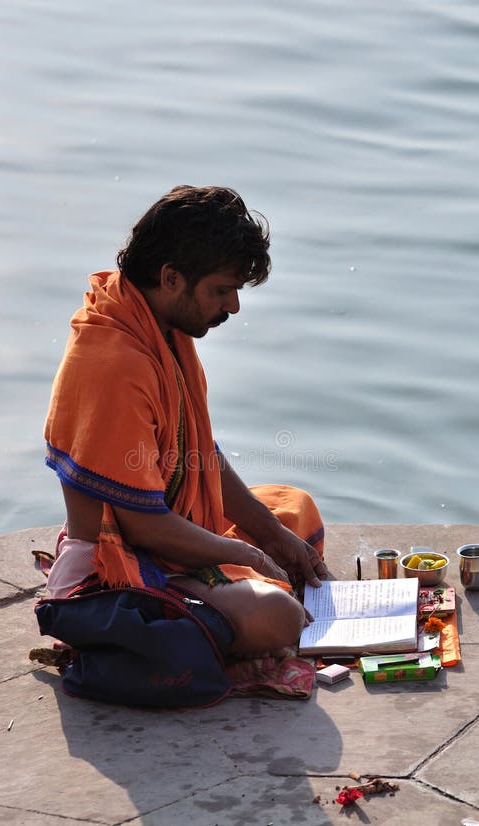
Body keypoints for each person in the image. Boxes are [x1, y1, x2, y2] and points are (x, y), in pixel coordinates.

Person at [43, 185, 328, 660]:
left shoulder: (160, 327)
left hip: (170, 538)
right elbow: (143, 528)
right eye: (222, 290)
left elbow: (199, 455)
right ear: (172, 278)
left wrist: (274, 537)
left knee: (294, 512)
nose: (233, 306)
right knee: (276, 615)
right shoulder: (114, 361)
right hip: (121, 571)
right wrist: (248, 555)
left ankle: (236, 589)